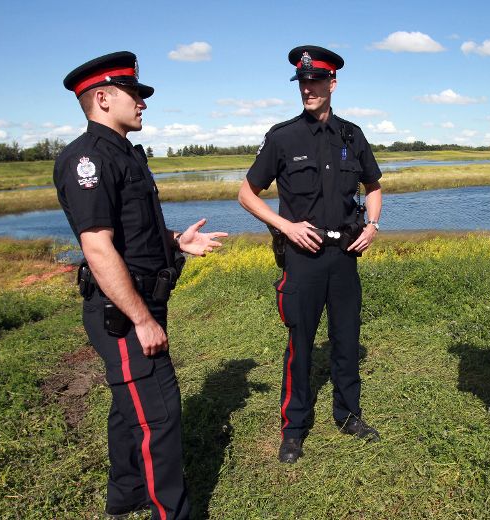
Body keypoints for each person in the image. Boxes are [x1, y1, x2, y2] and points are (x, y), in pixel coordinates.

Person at [54, 51, 227, 519]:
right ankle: (172, 512)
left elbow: (133, 233)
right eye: (135, 93)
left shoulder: (125, 154)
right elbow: (98, 248)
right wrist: (142, 319)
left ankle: (126, 492)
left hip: (140, 302)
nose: (143, 102)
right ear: (104, 98)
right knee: (160, 419)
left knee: (128, 406)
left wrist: (177, 242)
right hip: (123, 315)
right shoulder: (87, 159)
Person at [238, 45, 383, 464]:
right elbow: (246, 193)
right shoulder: (283, 137)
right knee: (300, 344)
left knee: (346, 339)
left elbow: (373, 187)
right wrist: (285, 226)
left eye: (316, 81)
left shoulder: (352, 135)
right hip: (303, 258)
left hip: (344, 257)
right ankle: (294, 428)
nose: (308, 88)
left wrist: (372, 226)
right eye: (302, 82)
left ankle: (348, 415)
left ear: (332, 83)